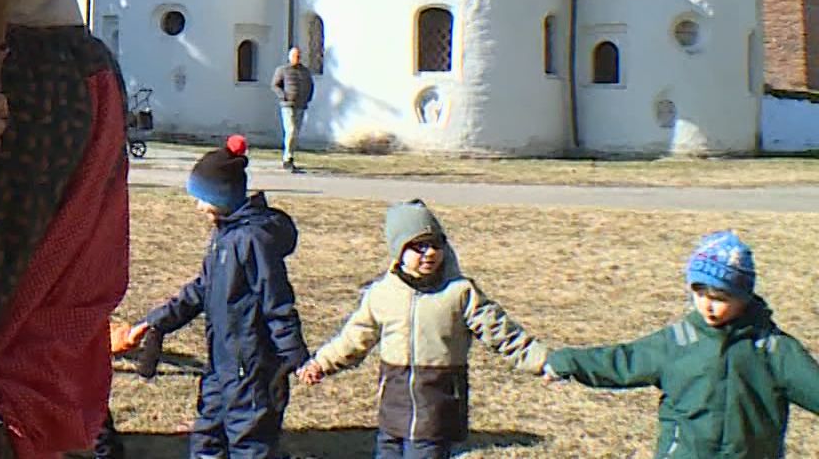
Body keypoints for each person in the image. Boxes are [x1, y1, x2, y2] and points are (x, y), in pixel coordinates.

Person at [296, 200, 548, 458]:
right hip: (393, 412)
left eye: (436, 244)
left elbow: (503, 333)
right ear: (398, 250)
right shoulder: (383, 293)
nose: (429, 253)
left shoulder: (459, 293)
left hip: (437, 413)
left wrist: (542, 361)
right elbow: (354, 338)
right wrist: (321, 363)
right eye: (419, 246)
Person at [546, 231, 819, 458]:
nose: (708, 306)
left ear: (745, 296)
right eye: (700, 293)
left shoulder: (773, 349)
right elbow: (622, 361)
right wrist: (566, 362)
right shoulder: (677, 342)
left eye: (720, 297)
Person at [126, 136, 307, 459]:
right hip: (221, 364)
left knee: (249, 443)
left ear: (223, 195)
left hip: (250, 369)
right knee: (207, 437)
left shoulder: (251, 240)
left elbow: (277, 302)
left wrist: (295, 357)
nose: (198, 207)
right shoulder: (223, 235)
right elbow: (201, 289)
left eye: (202, 198)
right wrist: (157, 321)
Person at [269, 47, 313, 173]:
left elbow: (310, 85)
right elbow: (275, 85)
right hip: (288, 105)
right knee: (291, 130)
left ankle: (290, 156)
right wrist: (283, 96)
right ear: (290, 57)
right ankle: (287, 158)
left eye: (298, 56)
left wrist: (307, 98)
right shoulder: (283, 70)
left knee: (295, 133)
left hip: (301, 105)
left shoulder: (304, 71)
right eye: (294, 56)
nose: (296, 58)